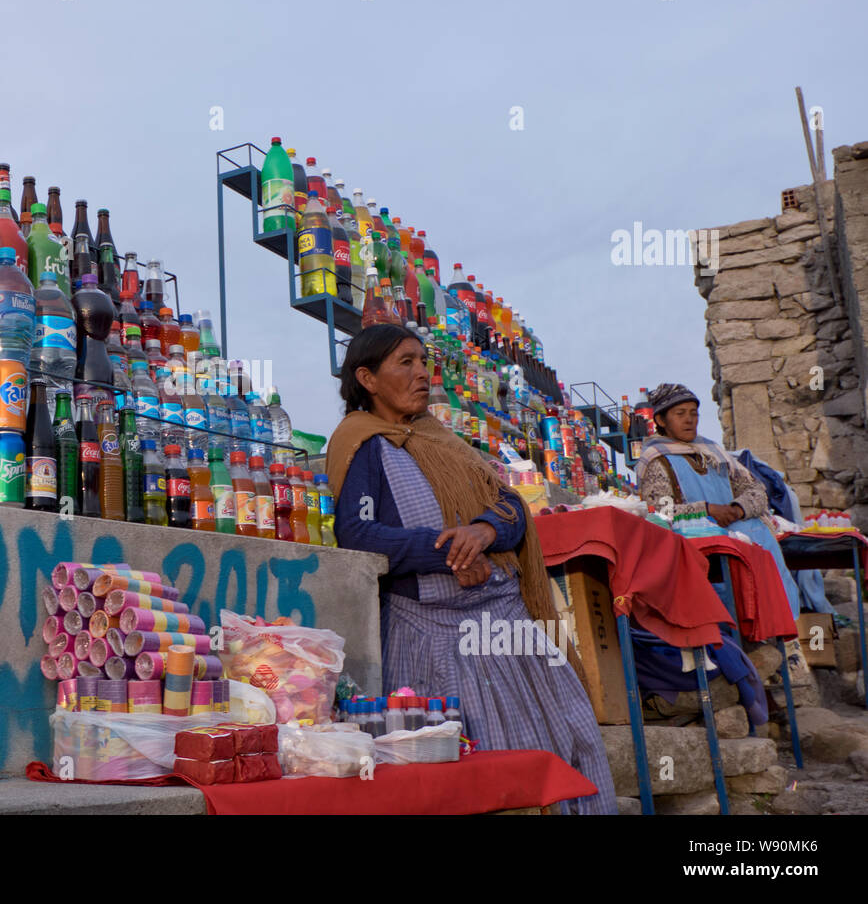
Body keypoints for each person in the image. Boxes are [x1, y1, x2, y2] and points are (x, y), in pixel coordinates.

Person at [326, 324, 616, 814]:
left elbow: (510, 508)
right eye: (406, 362)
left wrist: (481, 533)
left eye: (423, 361)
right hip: (432, 632)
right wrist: (450, 551)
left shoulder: (446, 443)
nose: (423, 373)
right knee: (469, 764)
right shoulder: (362, 444)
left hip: (506, 627)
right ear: (367, 378)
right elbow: (356, 533)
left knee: (568, 736)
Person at [635, 383, 801, 620]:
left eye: (693, 413)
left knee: (757, 534)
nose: (689, 420)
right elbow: (660, 511)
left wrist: (737, 509)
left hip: (736, 528)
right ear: (661, 420)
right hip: (697, 543)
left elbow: (757, 491)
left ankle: (783, 622)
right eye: (680, 414)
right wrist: (707, 510)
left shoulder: (714, 453)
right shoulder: (656, 459)